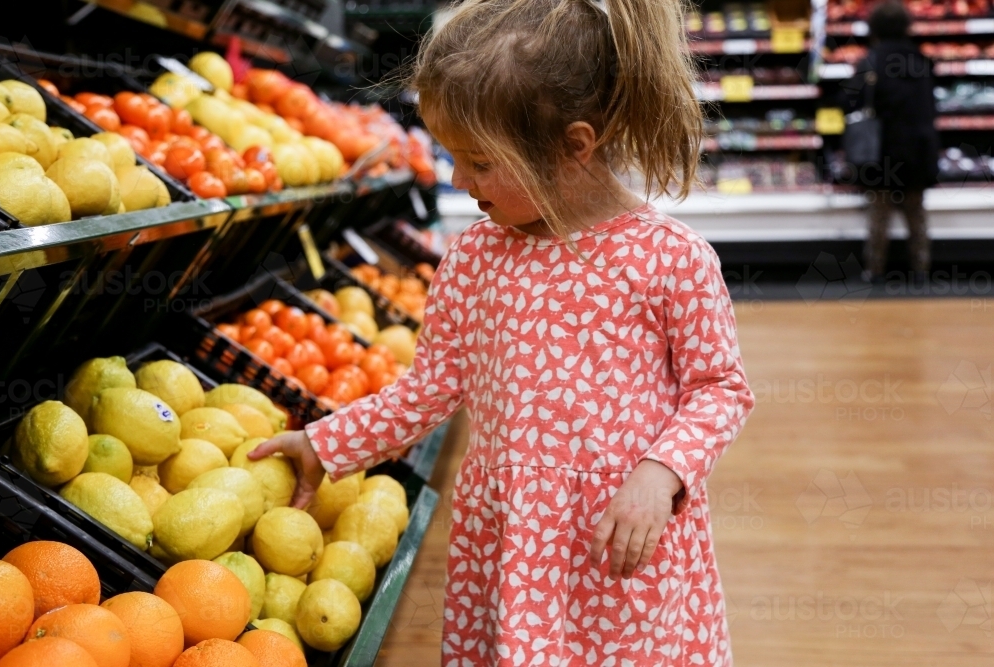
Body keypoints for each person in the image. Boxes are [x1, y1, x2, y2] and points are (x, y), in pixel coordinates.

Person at [251, 0, 754, 664]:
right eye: (452, 157)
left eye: (481, 162)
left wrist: (662, 473)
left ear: (575, 145)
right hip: (518, 543)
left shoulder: (670, 258)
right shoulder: (474, 259)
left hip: (623, 544)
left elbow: (720, 389)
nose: (460, 181)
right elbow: (429, 389)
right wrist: (328, 443)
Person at [847, 0, 939, 282]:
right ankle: (921, 271)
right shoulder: (921, 61)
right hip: (918, 150)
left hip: (881, 152)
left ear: (873, 28)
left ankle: (874, 271)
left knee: (878, 216)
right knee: (916, 214)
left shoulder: (870, 62)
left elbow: (851, 101)